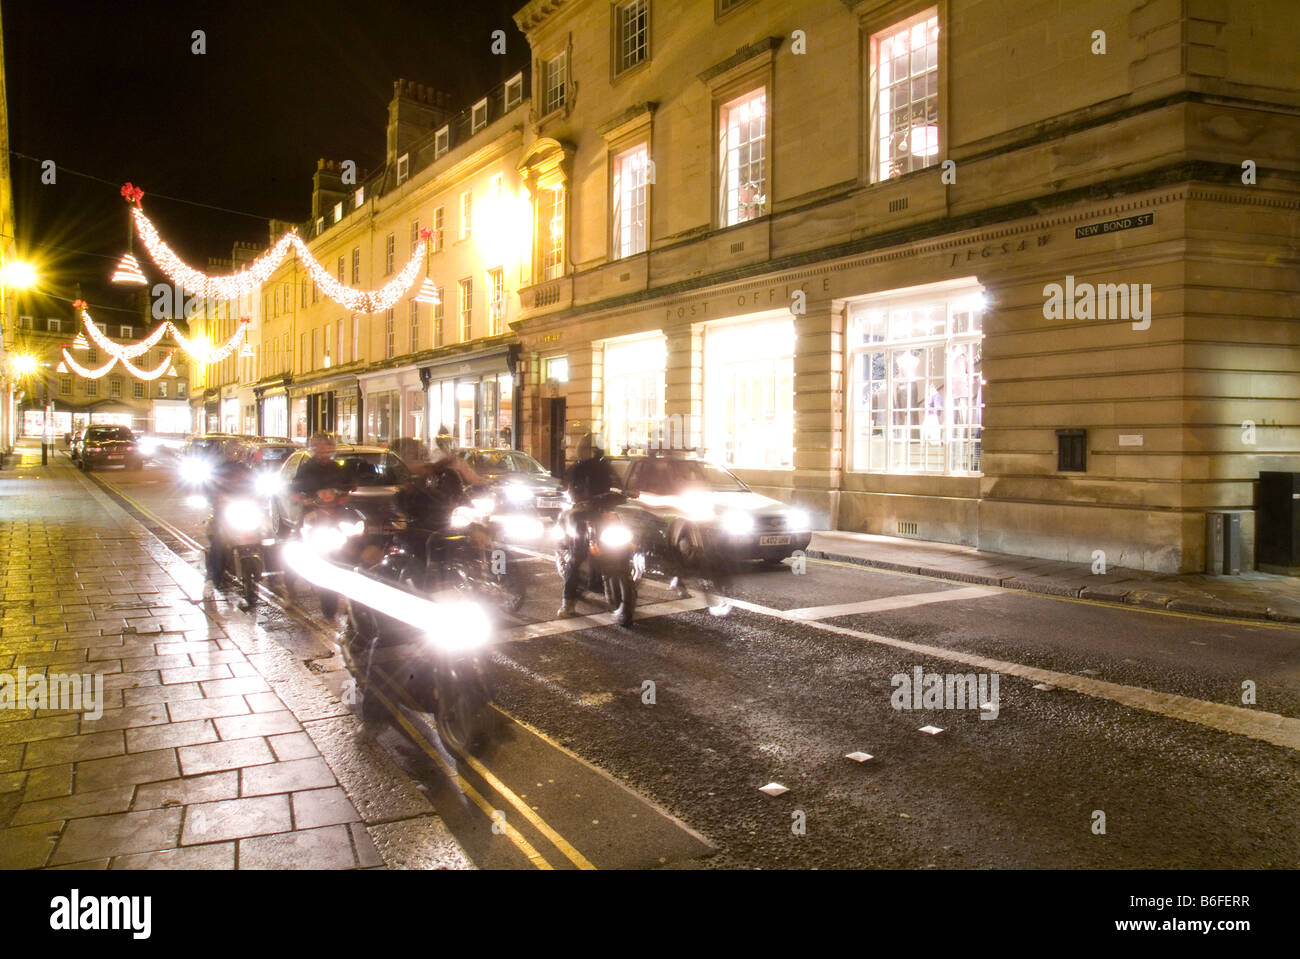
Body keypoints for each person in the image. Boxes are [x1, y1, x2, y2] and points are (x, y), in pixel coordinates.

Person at [557, 432, 622, 617]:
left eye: (593, 449)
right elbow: (568, 487)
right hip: (581, 515)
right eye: (588, 448)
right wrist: (576, 499)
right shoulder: (577, 468)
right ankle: (568, 601)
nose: (590, 452)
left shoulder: (604, 466)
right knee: (577, 556)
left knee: (620, 543)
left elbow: (617, 482)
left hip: (601, 512)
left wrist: (624, 492)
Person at [290, 432, 351, 501]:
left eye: (328, 446)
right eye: (319, 446)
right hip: (312, 508)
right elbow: (296, 488)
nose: (323, 449)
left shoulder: (338, 469)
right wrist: (303, 499)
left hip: (336, 508)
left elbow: (348, 486)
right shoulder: (306, 469)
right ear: (314, 449)